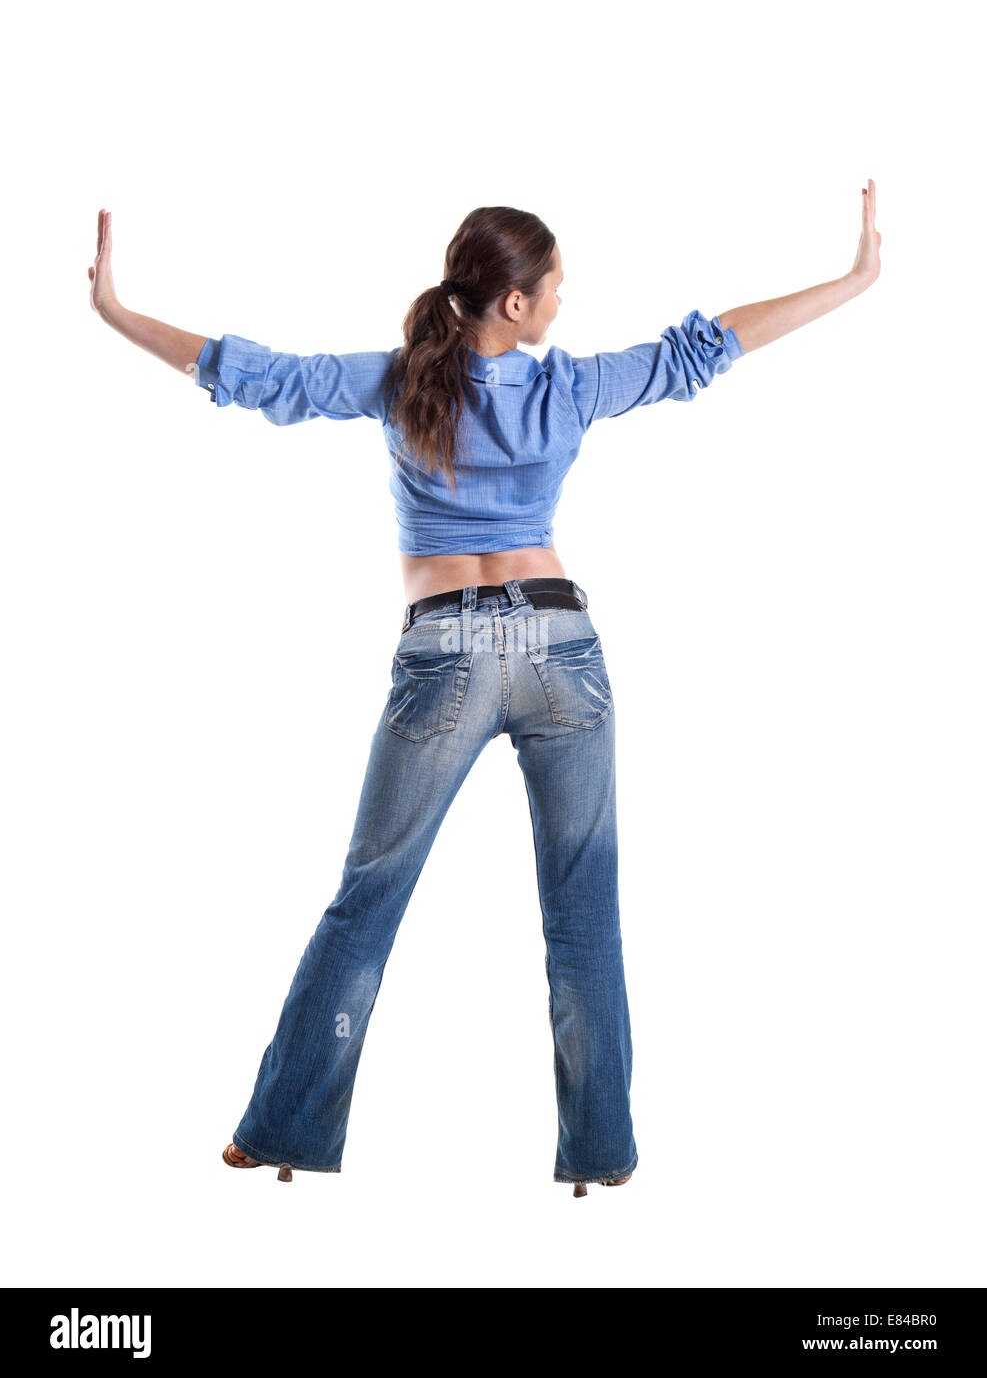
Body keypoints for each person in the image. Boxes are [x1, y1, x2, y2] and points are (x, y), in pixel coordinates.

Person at [88, 187, 881, 1196]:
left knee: (366, 903)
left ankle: (283, 1130)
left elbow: (250, 375)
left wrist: (115, 312)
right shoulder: (571, 388)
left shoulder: (395, 380)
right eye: (553, 291)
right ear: (514, 302)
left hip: (447, 653)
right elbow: (712, 344)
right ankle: (598, 1153)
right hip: (564, 646)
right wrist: (856, 280)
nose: (560, 307)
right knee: (584, 916)